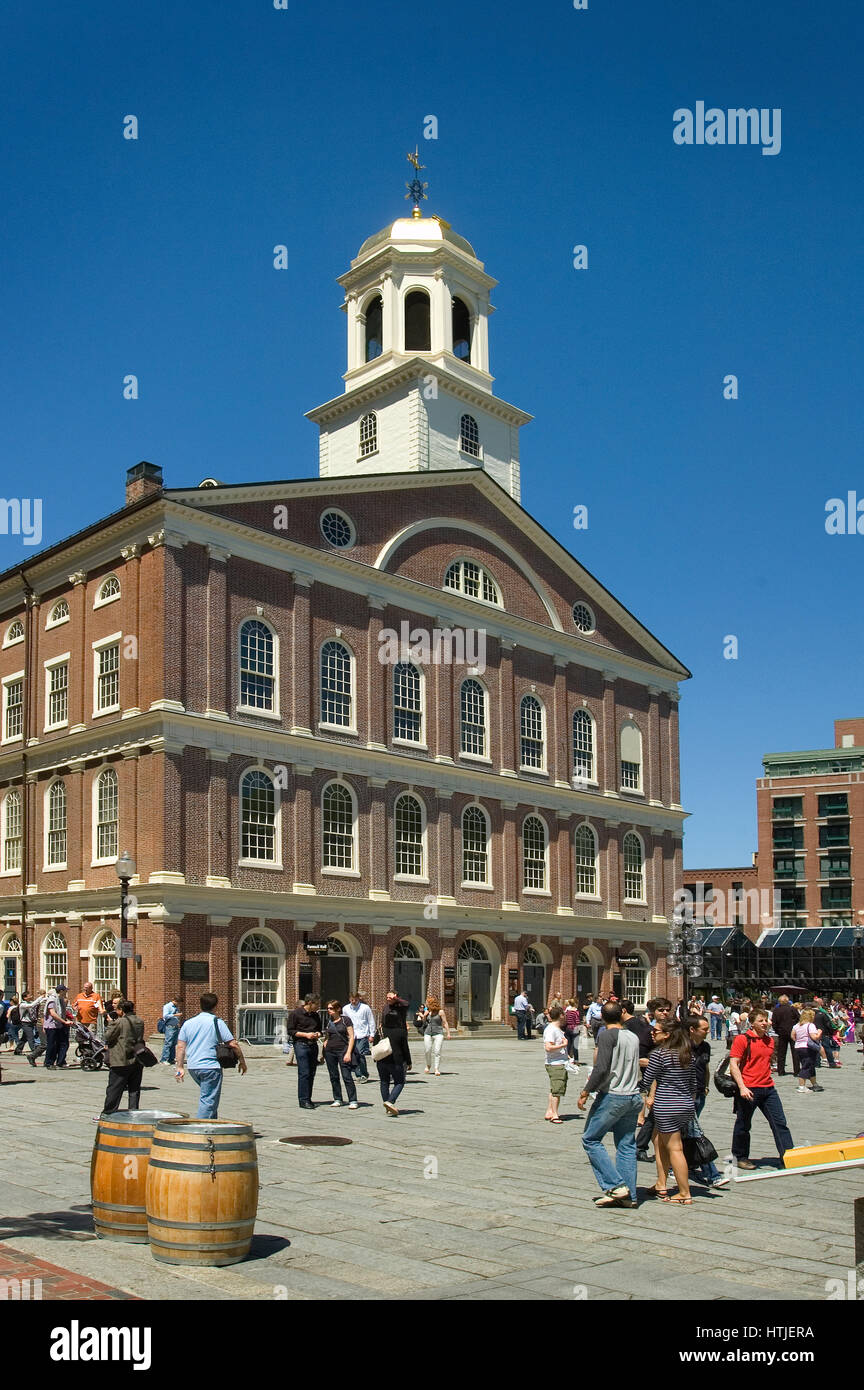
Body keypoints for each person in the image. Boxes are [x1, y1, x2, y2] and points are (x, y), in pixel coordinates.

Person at [577, 1002, 642, 1208]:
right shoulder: (632, 1036)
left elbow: (602, 1067)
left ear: (603, 1018)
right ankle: (629, 1196)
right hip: (633, 1095)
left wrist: (586, 1091)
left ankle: (615, 1185)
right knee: (626, 1144)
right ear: (621, 1016)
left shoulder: (606, 1035)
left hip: (614, 1095)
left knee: (590, 1138)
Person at [641, 1017, 697, 1204]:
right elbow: (693, 1083)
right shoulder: (687, 1053)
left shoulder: (659, 1055)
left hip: (667, 1104)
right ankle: (661, 1183)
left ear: (666, 1035)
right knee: (657, 1139)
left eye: (656, 1031)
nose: (652, 1032)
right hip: (685, 1104)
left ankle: (684, 1193)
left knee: (675, 1148)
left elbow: (647, 1081)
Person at [729, 1008, 793, 1167]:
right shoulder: (742, 1039)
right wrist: (742, 1087)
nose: (765, 1024)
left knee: (779, 1123)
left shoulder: (770, 1040)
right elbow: (733, 1064)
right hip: (749, 1088)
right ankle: (740, 1157)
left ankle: (789, 1156)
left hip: (768, 1088)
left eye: (766, 1020)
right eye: (761, 1021)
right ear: (752, 1024)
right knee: (743, 1124)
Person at [174, 992, 247, 1119]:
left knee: (209, 1097)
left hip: (193, 1067)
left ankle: (212, 1127)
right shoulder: (217, 1022)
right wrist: (242, 1061)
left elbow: (180, 1047)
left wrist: (179, 1067)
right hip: (211, 1067)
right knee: (208, 1100)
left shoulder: (188, 1023)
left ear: (200, 1005)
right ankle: (201, 1129)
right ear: (215, 1006)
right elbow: (233, 1044)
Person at [686, 1014, 728, 1188]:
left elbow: (706, 1068)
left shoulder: (706, 1047)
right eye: (704, 1029)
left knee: (687, 1133)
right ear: (692, 1030)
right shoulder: (682, 1048)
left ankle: (680, 1165)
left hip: (700, 1094)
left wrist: (706, 1087)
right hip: (685, 1097)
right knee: (695, 1133)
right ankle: (712, 1175)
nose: (708, 1031)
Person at [102, 998, 145, 1114]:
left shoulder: (120, 1022)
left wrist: (110, 1023)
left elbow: (107, 1036)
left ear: (121, 1010)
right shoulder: (140, 1021)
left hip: (120, 1060)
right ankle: (133, 1112)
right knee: (134, 1089)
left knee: (114, 1089)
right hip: (136, 1059)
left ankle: (109, 1112)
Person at [376, 991, 411, 1116]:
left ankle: (387, 1104)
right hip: (395, 1059)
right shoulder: (401, 1031)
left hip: (381, 1059)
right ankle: (390, 1101)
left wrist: (395, 1000)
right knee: (400, 1082)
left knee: (384, 1082)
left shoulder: (382, 1029)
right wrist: (409, 1062)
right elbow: (405, 1047)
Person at [286, 994, 323, 1109]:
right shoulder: (296, 1014)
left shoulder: (316, 1015)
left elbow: (320, 1030)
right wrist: (306, 1035)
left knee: (312, 1072)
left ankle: (308, 1098)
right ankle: (303, 1100)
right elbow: (291, 1031)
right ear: (310, 1003)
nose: (318, 1006)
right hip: (301, 1044)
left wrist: (317, 1034)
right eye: (317, 1004)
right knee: (304, 1072)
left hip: (313, 1045)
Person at [323, 1000, 358, 1109]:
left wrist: (348, 1052)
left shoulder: (345, 1020)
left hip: (343, 1050)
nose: (329, 1011)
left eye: (331, 1008)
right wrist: (326, 1041)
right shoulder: (329, 1021)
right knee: (333, 1076)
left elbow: (351, 1037)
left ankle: (353, 1100)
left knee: (347, 1076)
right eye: (328, 1008)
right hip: (330, 1051)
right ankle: (337, 1098)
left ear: (338, 1009)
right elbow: (328, 1034)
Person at [543, 1005, 570, 1123]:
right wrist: (563, 1045)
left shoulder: (556, 1029)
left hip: (559, 1061)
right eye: (564, 1014)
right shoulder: (551, 1029)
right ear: (561, 1016)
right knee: (557, 1089)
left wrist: (567, 1056)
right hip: (555, 1063)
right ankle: (555, 1114)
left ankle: (549, 1111)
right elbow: (548, 1047)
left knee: (554, 1088)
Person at [343, 991, 376, 1081]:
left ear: (359, 999)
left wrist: (372, 1034)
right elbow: (344, 1022)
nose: (353, 1001)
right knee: (353, 1055)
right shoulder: (346, 1009)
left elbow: (371, 1021)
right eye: (352, 999)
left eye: (355, 999)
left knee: (360, 1054)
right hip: (351, 1035)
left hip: (362, 1034)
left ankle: (364, 1073)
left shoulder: (365, 1008)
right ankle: (358, 1074)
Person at [792, 1009, 824, 1094]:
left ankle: (814, 1083)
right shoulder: (810, 1025)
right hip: (807, 1048)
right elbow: (814, 1037)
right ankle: (801, 1086)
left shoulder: (796, 1026)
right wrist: (819, 1033)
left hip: (798, 1047)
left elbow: (793, 1036)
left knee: (810, 1065)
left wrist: (799, 1040)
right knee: (807, 1066)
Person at [419, 995, 451, 1075]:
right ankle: (428, 1065)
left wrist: (448, 1033)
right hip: (428, 1032)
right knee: (427, 1050)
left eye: (427, 1003)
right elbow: (423, 1022)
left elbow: (445, 1022)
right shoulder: (428, 1011)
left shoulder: (440, 1012)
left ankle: (436, 1068)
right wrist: (424, 1016)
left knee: (437, 1051)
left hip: (438, 1032)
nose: (426, 1005)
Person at [43, 984, 72, 1069]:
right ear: (61, 991)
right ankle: (49, 1063)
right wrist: (64, 1022)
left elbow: (62, 1012)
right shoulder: (52, 1000)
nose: (66, 992)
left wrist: (66, 1020)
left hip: (59, 1025)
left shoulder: (60, 999)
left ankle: (60, 1061)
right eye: (65, 990)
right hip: (52, 1025)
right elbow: (52, 1013)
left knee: (63, 1043)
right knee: (52, 1045)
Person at [771, 994, 801, 1077]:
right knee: (795, 1052)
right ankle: (797, 1071)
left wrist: (777, 1030)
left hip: (781, 1032)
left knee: (781, 1053)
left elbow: (774, 1022)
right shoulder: (792, 1009)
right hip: (792, 1032)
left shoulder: (776, 1010)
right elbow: (799, 1018)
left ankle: (781, 1071)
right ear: (787, 1001)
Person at [16, 991, 45, 1065]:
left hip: (31, 1022)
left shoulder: (30, 1002)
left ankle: (18, 1049)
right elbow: (32, 1005)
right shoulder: (23, 1004)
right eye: (29, 995)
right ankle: (34, 1051)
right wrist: (40, 997)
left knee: (24, 1037)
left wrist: (44, 998)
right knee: (30, 1037)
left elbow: (36, 1004)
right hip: (25, 1023)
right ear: (25, 997)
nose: (31, 996)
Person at [812, 997, 840, 1068]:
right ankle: (831, 1063)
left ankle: (816, 1063)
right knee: (827, 1048)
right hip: (824, 1032)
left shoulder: (810, 1014)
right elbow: (828, 1024)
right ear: (819, 1005)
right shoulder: (823, 1013)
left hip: (813, 1032)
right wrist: (831, 1031)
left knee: (816, 1047)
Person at [160, 997, 182, 1066]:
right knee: (168, 1043)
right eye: (178, 1003)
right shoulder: (167, 1006)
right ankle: (164, 1059)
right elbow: (165, 1016)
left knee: (173, 1043)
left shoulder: (176, 1007)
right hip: (169, 1027)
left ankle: (171, 1058)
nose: (178, 1005)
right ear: (175, 1001)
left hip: (175, 1027)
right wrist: (175, 1015)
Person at [563, 998, 581, 1063]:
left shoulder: (567, 1011)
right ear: (576, 1004)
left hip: (568, 1028)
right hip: (575, 1028)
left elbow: (566, 1020)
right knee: (575, 1046)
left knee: (568, 1045)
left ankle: (567, 1058)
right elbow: (577, 1021)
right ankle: (576, 1060)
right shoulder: (576, 1012)